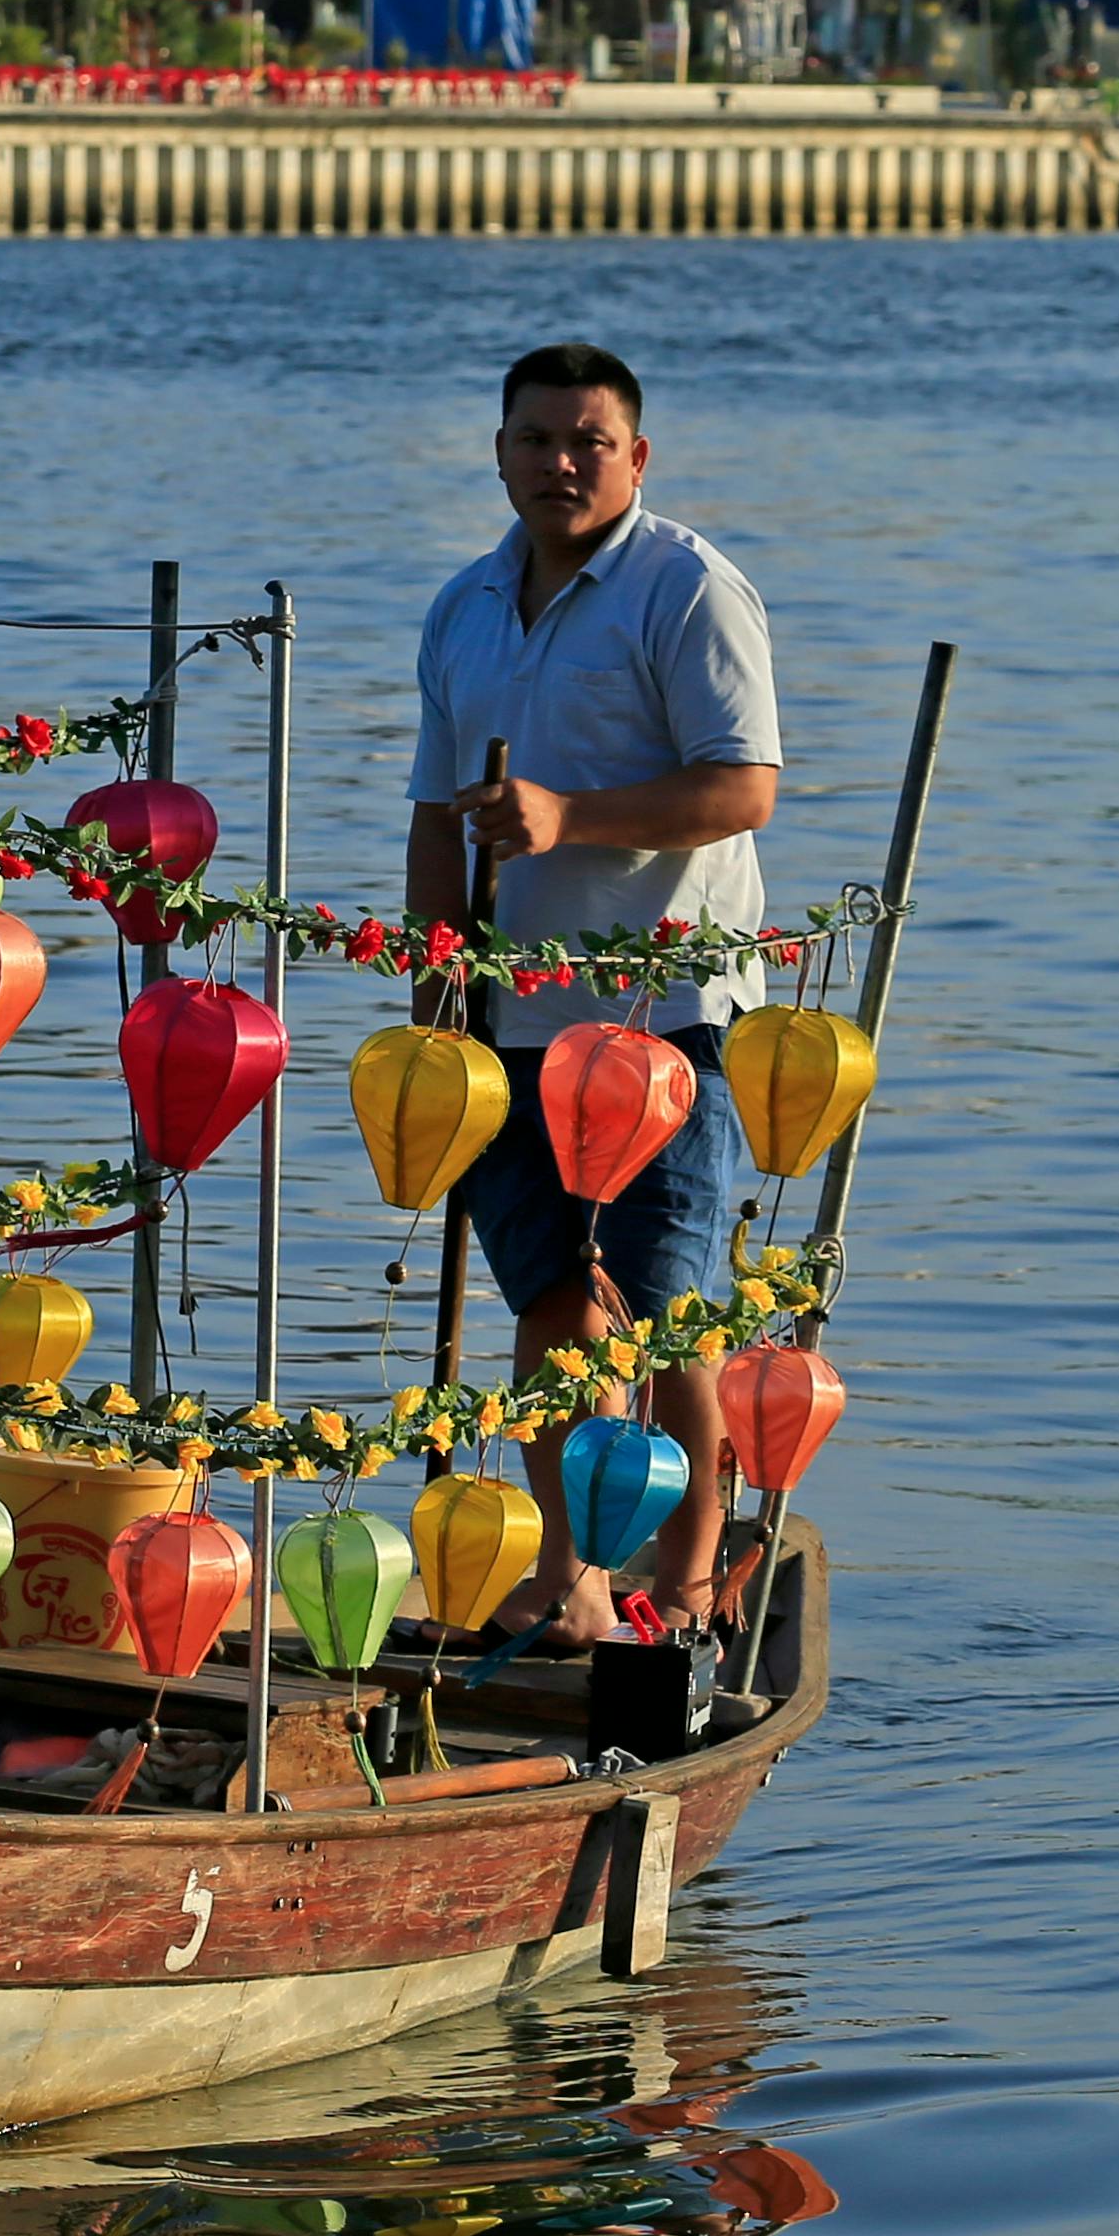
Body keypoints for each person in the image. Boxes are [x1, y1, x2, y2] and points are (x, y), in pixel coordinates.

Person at [407, 342, 778, 1644]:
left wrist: (568, 815)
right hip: (508, 1020)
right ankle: (567, 1579)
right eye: (536, 440)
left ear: (637, 456)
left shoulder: (687, 588)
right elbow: (436, 815)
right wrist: (436, 984)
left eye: (588, 441)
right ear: (500, 452)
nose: (560, 464)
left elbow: (743, 788)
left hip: (661, 1016)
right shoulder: (464, 605)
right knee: (552, 1308)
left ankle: (684, 1588)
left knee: (667, 1314)